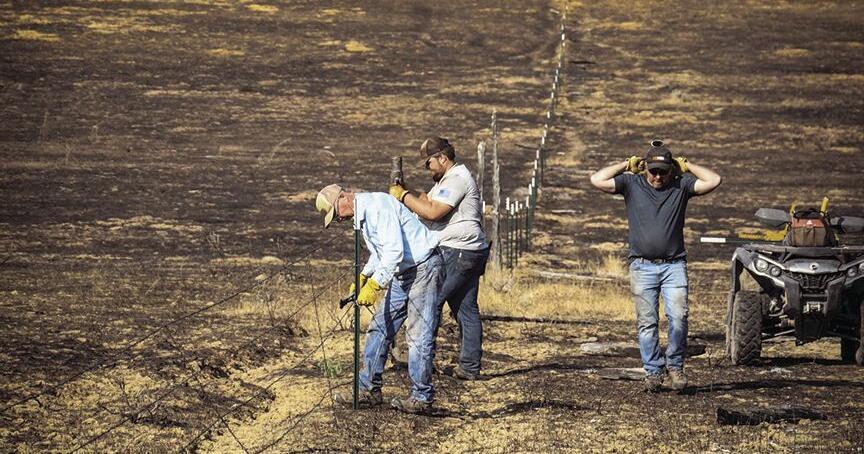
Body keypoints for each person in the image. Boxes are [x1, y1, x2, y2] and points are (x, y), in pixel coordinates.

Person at [589, 139, 722, 392]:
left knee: (679, 318)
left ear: (672, 170)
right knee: (647, 322)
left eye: (663, 171)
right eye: (653, 171)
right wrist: (625, 165)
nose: (658, 176)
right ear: (645, 168)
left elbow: (714, 180)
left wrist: (688, 165)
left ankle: (675, 367)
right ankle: (653, 372)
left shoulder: (681, 185)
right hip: (642, 266)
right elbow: (597, 179)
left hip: (674, 265)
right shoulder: (631, 183)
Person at [315, 184, 445, 413]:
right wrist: (364, 276)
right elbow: (380, 253)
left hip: (424, 268)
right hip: (403, 273)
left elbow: (394, 251)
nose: (339, 221)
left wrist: (375, 285)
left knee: (418, 334)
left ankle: (422, 397)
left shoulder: (378, 207)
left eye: (336, 215)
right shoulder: (364, 217)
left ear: (343, 198)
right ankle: (369, 390)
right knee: (379, 327)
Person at [388, 137, 490, 380]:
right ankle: (469, 367)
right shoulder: (448, 179)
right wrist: (407, 191)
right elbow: (427, 201)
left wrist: (402, 197)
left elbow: (433, 212)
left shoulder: (456, 180)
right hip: (470, 250)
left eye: (429, 162)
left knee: (429, 302)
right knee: (465, 308)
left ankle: (421, 362)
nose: (428, 168)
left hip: (457, 251)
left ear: (442, 158)